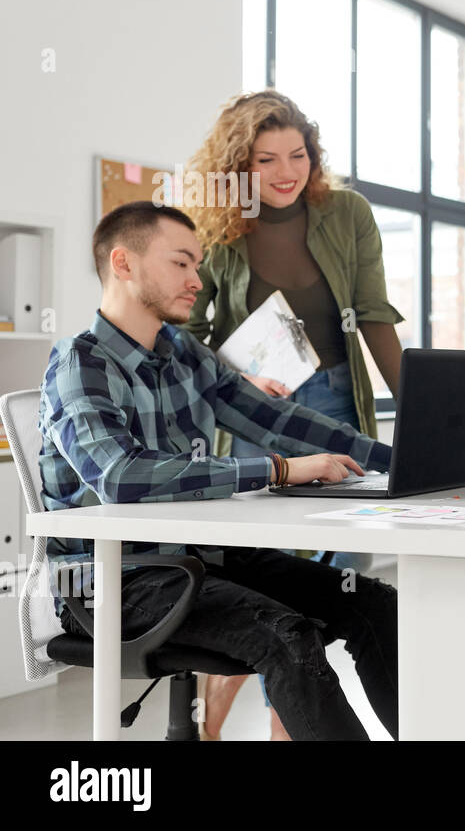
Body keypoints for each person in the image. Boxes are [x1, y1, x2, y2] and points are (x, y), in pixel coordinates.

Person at [38, 202, 398, 741]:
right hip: (115, 580)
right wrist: (275, 470)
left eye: (198, 265)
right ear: (124, 263)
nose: (196, 281)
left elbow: (279, 420)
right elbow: (120, 476)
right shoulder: (80, 365)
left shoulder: (184, 352)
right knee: (285, 635)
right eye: (181, 263)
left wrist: (401, 462)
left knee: (372, 603)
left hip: (202, 559)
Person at [181, 90, 405, 737]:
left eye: (298, 154)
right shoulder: (214, 231)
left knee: (335, 581)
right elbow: (186, 335)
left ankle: (290, 733)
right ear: (236, 167)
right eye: (265, 159)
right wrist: (237, 374)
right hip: (256, 416)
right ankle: (207, 727)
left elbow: (374, 316)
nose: (286, 171)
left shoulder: (346, 214)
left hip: (335, 402)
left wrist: (418, 418)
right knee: (265, 583)